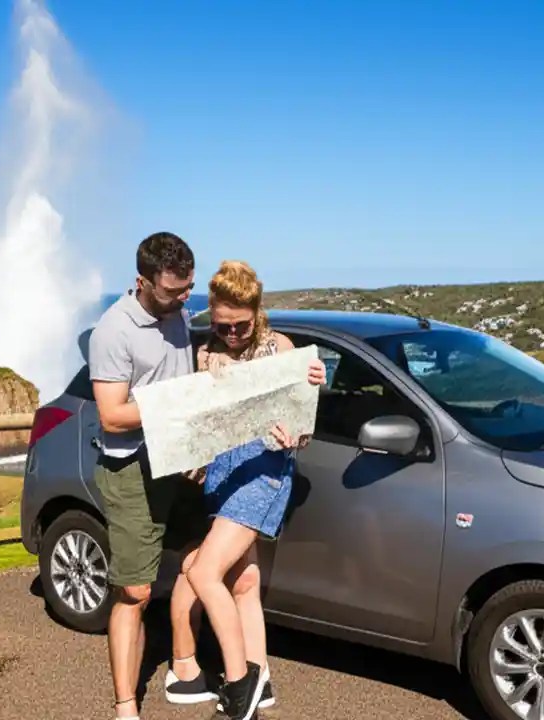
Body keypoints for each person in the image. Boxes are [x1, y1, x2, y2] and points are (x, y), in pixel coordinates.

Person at [180, 260, 326, 720]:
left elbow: (301, 431)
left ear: (256, 312)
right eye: (222, 325)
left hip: (263, 472)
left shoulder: (279, 347)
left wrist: (304, 408)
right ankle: (261, 680)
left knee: (204, 574)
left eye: (240, 324)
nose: (231, 333)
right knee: (243, 582)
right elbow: (203, 419)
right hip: (223, 471)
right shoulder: (206, 352)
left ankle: (241, 682)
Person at [88, 231, 219, 720]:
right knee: (135, 591)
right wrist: (174, 405)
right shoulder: (113, 332)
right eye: (173, 291)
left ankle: (183, 665)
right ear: (142, 281)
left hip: (179, 462)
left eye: (189, 288)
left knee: (199, 563)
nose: (185, 299)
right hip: (130, 470)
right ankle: (126, 706)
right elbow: (111, 415)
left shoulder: (179, 312)